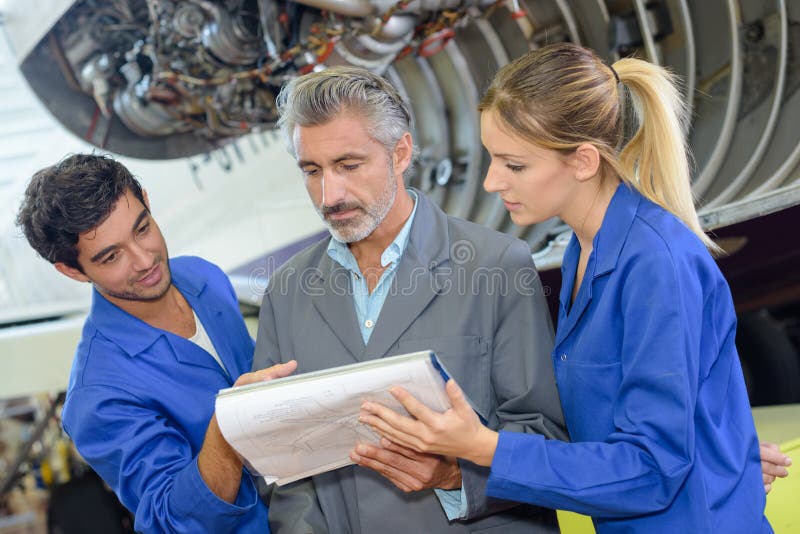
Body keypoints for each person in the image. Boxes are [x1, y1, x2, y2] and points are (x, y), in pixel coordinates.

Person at [359, 43, 774, 533]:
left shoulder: (654, 264)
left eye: (514, 165)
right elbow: (628, 419)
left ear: (582, 161)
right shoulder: (584, 250)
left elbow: (653, 470)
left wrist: (482, 446)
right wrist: (721, 444)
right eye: (493, 158)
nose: (492, 181)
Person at [253, 66, 568, 532]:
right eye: (312, 170)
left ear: (400, 153)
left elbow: (546, 435)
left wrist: (455, 476)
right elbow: (286, 473)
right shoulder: (286, 293)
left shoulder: (495, 265)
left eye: (348, 165)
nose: (329, 194)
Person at [15, 154, 297, 533]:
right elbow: (172, 521)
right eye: (112, 256)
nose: (145, 260)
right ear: (72, 270)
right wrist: (228, 428)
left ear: (146, 201)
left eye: (142, 229)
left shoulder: (202, 276)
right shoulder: (98, 397)